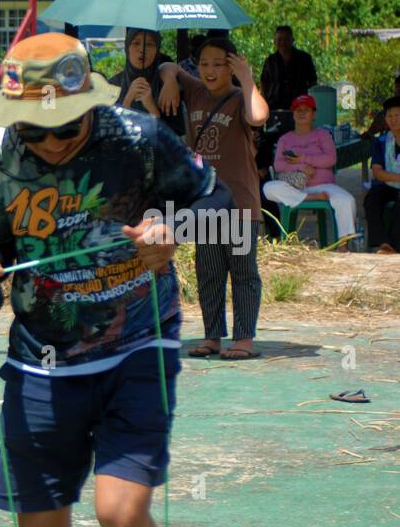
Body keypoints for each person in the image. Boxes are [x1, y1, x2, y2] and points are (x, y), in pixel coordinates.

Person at [0, 33, 228, 527]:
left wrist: (171, 228)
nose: (49, 144)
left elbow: (214, 198)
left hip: (137, 342)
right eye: (34, 130)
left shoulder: (137, 139)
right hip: (39, 358)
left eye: (65, 127)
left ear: (88, 106)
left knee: (120, 511)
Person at [158, 38, 269, 360]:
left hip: (239, 202)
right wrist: (168, 82)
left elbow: (259, 116)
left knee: (243, 271)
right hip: (207, 202)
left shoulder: (240, 97)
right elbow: (169, 67)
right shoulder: (194, 91)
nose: (209, 70)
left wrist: (247, 78)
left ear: (232, 65)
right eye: (204, 63)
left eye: (218, 64)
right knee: (208, 271)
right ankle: (212, 337)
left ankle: (244, 338)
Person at [263, 94, 358, 249]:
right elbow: (279, 165)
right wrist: (299, 167)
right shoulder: (285, 139)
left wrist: (304, 158)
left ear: (313, 114)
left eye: (306, 110)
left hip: (323, 185)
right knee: (268, 188)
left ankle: (343, 245)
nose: (301, 113)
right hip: (294, 187)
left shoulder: (322, 135)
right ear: (292, 114)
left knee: (346, 200)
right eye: (297, 110)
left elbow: (330, 159)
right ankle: (310, 197)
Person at [109, 28, 185, 136]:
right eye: (136, 43)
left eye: (149, 44)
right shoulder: (112, 85)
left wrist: (152, 107)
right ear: (127, 47)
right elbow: (109, 133)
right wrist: (127, 101)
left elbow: (174, 141)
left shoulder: (167, 87)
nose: (142, 50)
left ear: (157, 49)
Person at [364, 95, 400, 255]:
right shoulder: (382, 141)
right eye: (389, 116)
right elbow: (377, 172)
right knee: (372, 198)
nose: (393, 120)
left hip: (391, 181)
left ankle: (396, 246)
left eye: (397, 115)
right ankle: (384, 244)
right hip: (388, 184)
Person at [259, 26, 318, 113]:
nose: (282, 42)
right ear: (275, 41)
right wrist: (264, 103)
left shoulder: (304, 58)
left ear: (292, 40)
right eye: (279, 39)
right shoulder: (270, 61)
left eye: (286, 39)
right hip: (274, 107)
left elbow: (313, 82)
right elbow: (264, 82)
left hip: (299, 106)